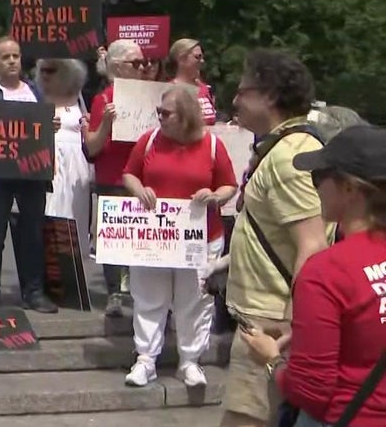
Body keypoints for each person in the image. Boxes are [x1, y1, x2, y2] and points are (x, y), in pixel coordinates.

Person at [239, 124, 386, 427]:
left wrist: (271, 360)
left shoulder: (326, 272)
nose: (314, 186)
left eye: (319, 176)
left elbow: (311, 390)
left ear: (350, 189)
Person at [220, 50, 333, 427]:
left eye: (242, 91)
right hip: (270, 316)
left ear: (268, 95)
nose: (234, 101)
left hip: (271, 322)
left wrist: (299, 328)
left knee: (247, 419)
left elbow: (312, 244)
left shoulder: (289, 156)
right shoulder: (287, 147)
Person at [121, 85, 236, 388]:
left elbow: (229, 185)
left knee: (195, 299)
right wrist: (139, 189)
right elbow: (129, 173)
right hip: (154, 235)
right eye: (158, 111)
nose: (159, 117)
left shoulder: (212, 145)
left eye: (166, 113)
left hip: (199, 237)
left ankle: (190, 361)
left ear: (185, 116)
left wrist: (213, 195)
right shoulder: (148, 141)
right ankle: (145, 358)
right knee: (148, 295)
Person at [0, 38, 58, 313]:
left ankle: (33, 291)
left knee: (32, 232)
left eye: (15, 55)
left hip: (32, 172)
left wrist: (51, 125)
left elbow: (43, 129)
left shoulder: (35, 91)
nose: (11, 60)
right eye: (5, 57)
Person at [85, 39, 153, 317]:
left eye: (144, 62)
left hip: (144, 179)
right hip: (112, 177)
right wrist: (106, 124)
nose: (142, 67)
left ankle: (140, 292)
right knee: (113, 239)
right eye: (135, 63)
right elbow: (92, 147)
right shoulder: (103, 99)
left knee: (142, 239)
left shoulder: (152, 97)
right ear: (117, 66)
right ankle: (114, 291)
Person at [36, 59, 93, 257]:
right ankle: (51, 267)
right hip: (52, 160)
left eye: (51, 70)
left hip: (76, 164)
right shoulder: (38, 97)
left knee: (76, 215)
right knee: (53, 211)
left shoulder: (78, 98)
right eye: (42, 70)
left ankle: (73, 272)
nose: (45, 74)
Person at [166, 38, 216, 125]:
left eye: (202, 57)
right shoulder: (169, 91)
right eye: (197, 57)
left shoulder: (205, 89)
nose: (202, 61)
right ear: (181, 59)